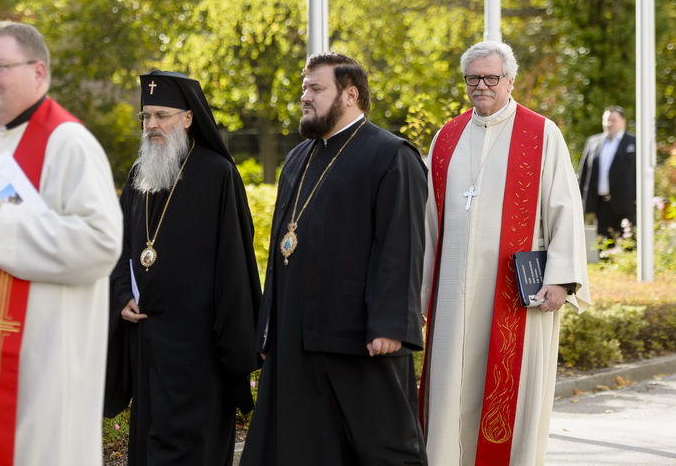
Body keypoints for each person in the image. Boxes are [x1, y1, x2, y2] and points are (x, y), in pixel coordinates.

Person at [0, 21, 123, 466]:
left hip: (34, 373)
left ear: (38, 73)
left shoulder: (67, 142)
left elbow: (101, 243)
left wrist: (10, 228)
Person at [241, 53, 429, 466]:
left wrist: (390, 324)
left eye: (315, 88)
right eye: (304, 88)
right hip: (296, 337)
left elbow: (402, 245)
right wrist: (269, 330)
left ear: (350, 93)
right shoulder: (298, 158)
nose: (304, 97)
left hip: (360, 337)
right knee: (302, 447)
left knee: (380, 449)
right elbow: (281, 250)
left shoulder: (391, 155)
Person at [419, 40, 591, 466]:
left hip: (514, 296)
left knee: (506, 393)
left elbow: (565, 208)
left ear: (510, 80)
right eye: (473, 78)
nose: (482, 86)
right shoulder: (446, 138)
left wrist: (560, 278)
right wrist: (419, 292)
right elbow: (426, 224)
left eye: (491, 77)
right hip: (451, 299)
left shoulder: (540, 133)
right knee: (448, 390)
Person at [104, 70, 261, 465]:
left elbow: (234, 269)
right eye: (146, 117)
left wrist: (235, 351)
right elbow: (117, 247)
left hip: (198, 352)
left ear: (188, 119)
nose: (152, 125)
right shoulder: (139, 175)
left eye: (163, 115)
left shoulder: (218, 175)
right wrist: (122, 294)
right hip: (148, 347)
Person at [578, 106, 637, 241]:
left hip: (626, 205)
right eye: (606, 120)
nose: (609, 124)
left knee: (627, 246)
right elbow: (584, 173)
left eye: (613, 120)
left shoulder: (633, 142)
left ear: (623, 121)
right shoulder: (593, 142)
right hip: (601, 205)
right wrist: (582, 201)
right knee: (604, 246)